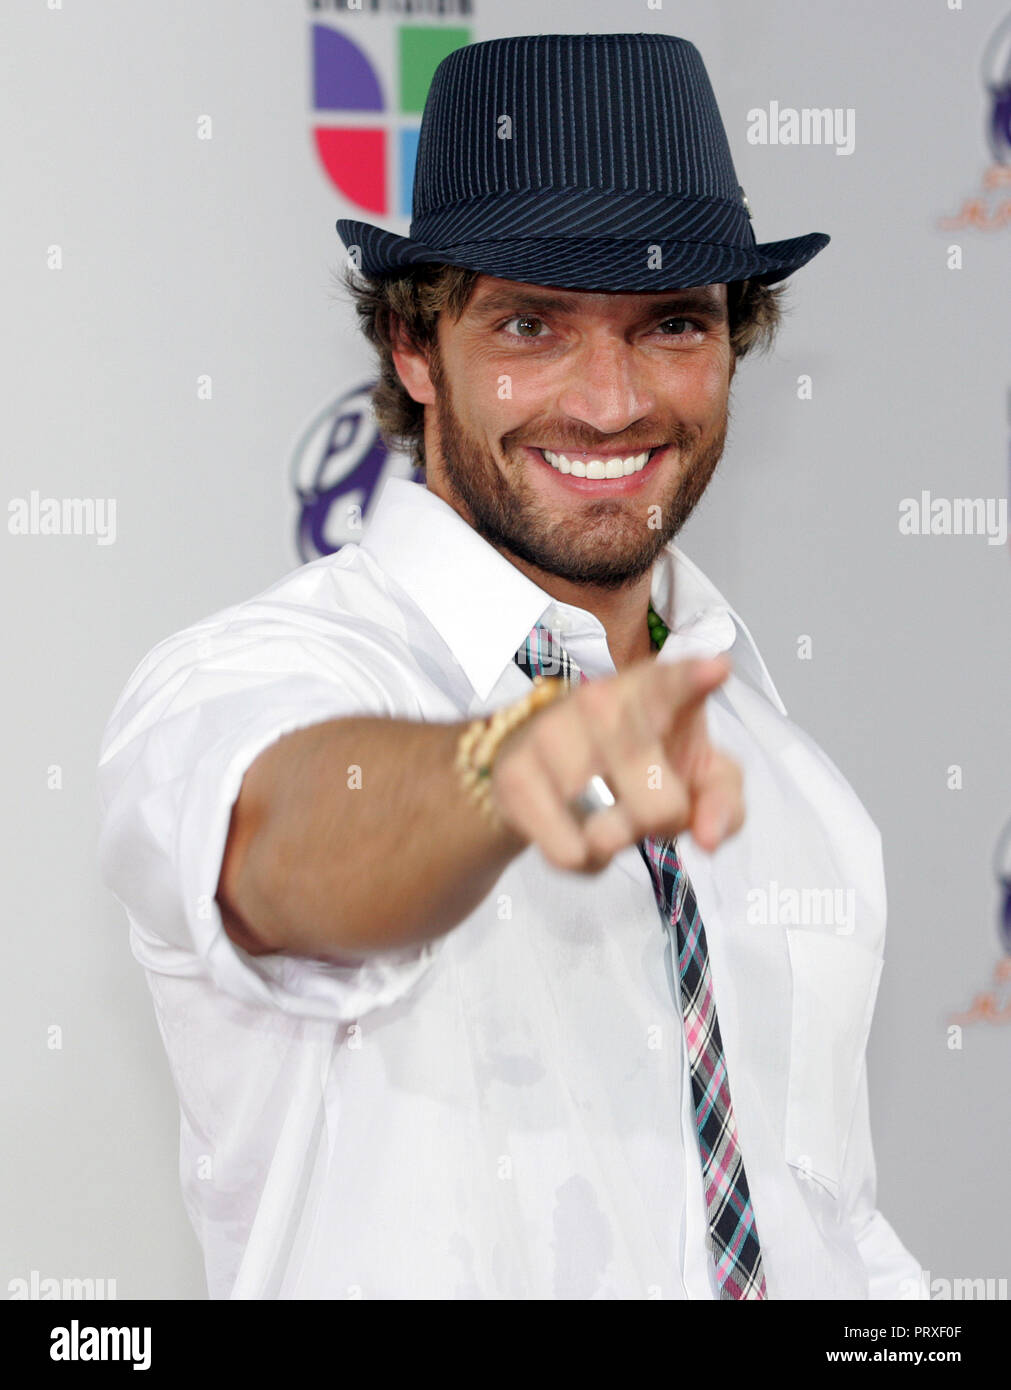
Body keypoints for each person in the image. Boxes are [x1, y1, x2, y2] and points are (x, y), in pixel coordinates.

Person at [97, 32, 924, 1300]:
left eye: (671, 325)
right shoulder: (263, 673)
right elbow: (283, 840)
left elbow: (826, 1245)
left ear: (735, 342)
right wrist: (501, 766)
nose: (608, 402)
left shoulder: (806, 803)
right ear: (414, 346)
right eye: (532, 323)